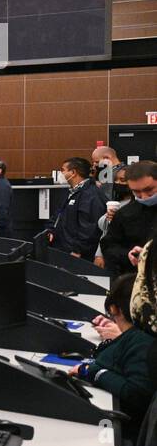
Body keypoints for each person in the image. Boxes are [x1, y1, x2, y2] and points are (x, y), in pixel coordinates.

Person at [74, 273, 155, 427]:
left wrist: (89, 370)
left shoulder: (141, 343)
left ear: (113, 308)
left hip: (130, 427)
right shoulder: (144, 334)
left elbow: (135, 392)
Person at [100, 160, 157, 276]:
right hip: (136, 279)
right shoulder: (124, 213)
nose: (144, 197)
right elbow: (109, 246)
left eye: (149, 190)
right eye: (136, 192)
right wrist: (128, 254)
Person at [49, 156, 106, 258]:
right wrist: (51, 230)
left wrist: (78, 249)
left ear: (73, 173)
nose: (61, 174)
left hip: (77, 254)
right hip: (63, 248)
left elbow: (89, 228)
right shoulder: (72, 191)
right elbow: (59, 214)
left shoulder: (91, 194)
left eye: (63, 170)